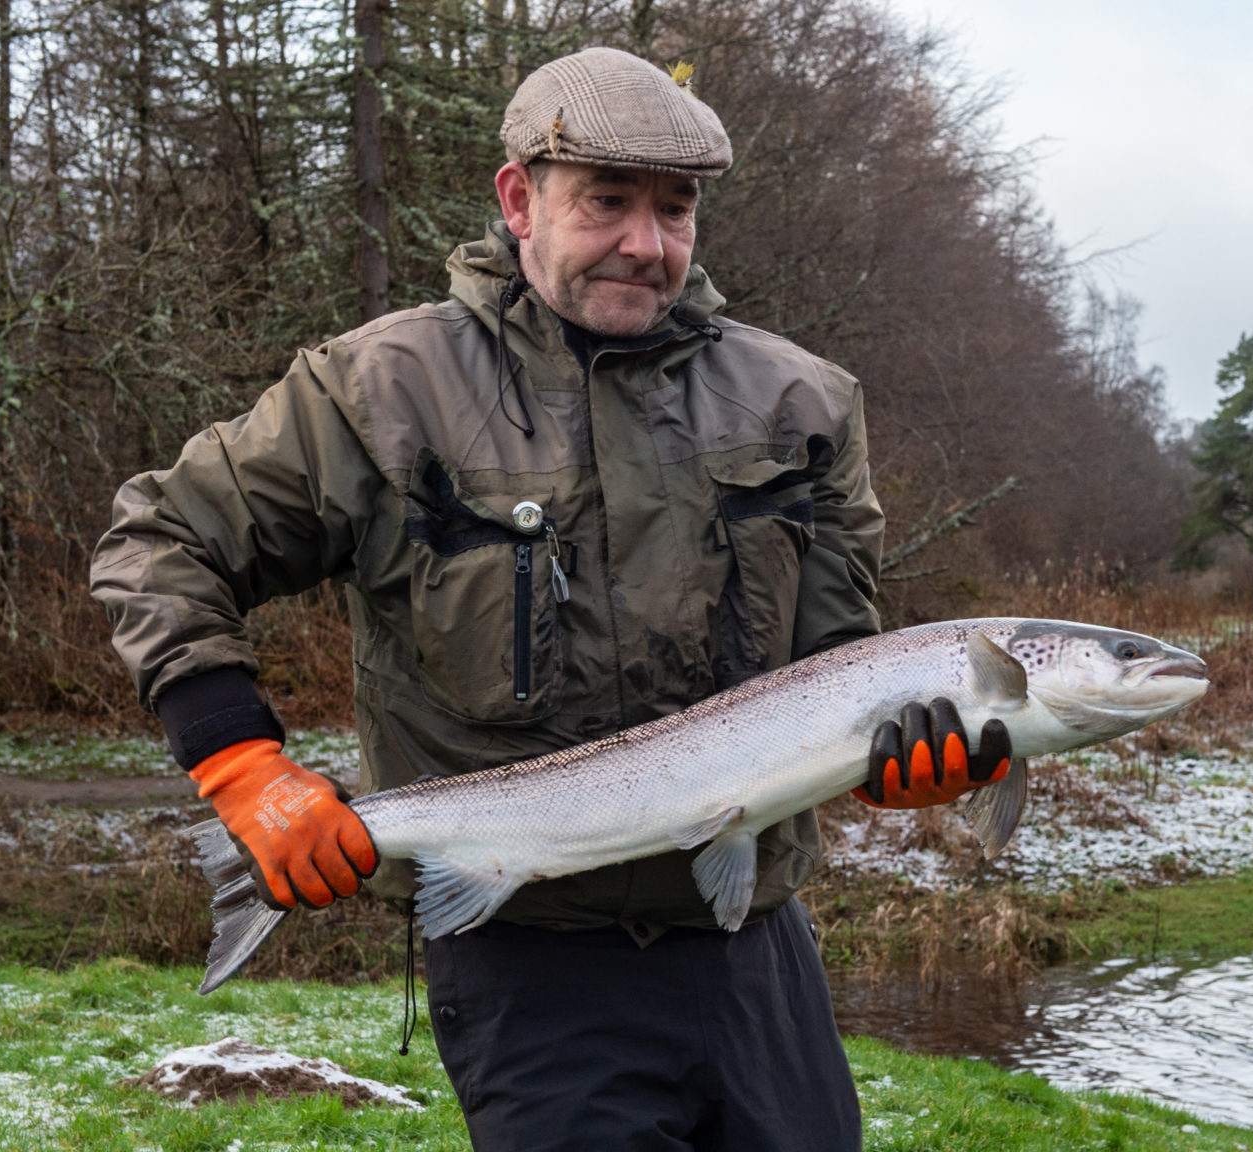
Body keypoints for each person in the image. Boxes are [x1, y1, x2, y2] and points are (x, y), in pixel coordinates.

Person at [90, 46, 1010, 1151]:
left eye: (675, 211)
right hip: (529, 962)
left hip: (755, 954)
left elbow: (839, 664)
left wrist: (905, 761)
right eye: (607, 202)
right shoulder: (379, 391)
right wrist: (239, 762)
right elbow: (160, 541)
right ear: (519, 200)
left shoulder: (801, 402)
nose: (645, 242)